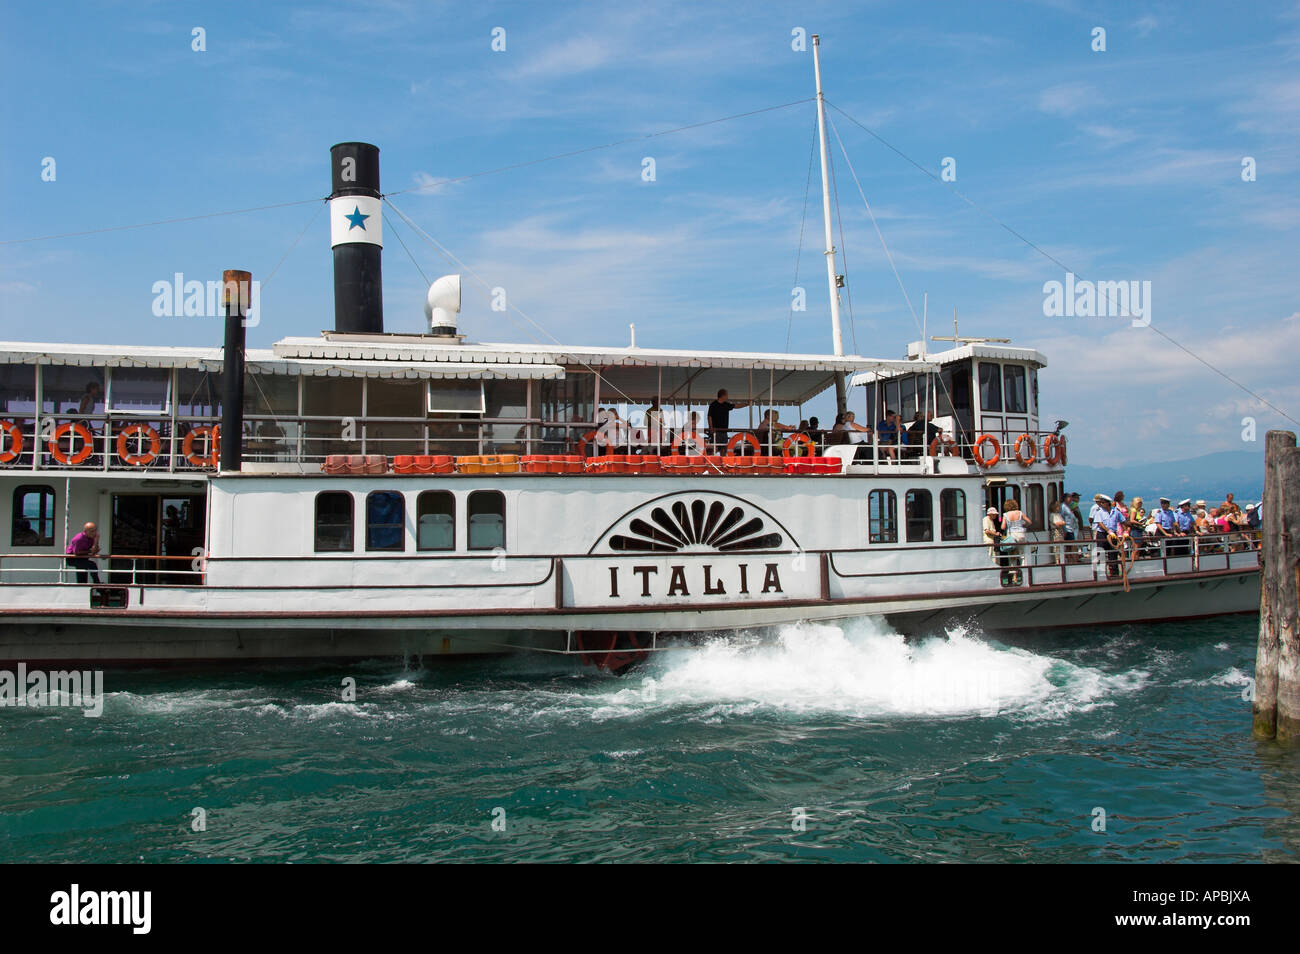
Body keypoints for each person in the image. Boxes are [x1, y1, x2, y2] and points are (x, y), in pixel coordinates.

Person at [1093, 495, 1122, 579]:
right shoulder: (1099, 512)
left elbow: (1123, 521)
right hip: (1102, 534)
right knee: (1100, 553)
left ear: (1108, 503)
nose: (1101, 504)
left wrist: (1126, 531)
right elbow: (1099, 523)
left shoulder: (1116, 511)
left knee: (1113, 554)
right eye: (1101, 502)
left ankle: (1114, 573)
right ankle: (1100, 573)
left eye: (1103, 502)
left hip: (1113, 535)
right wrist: (1108, 530)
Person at [1001, 497, 1029, 585]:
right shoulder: (1020, 513)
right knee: (1022, 556)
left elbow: (1003, 527)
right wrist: (1023, 525)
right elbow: (1029, 522)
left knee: (1012, 557)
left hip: (1012, 536)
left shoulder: (1006, 515)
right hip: (1021, 535)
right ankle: (1025, 575)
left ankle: (1014, 577)